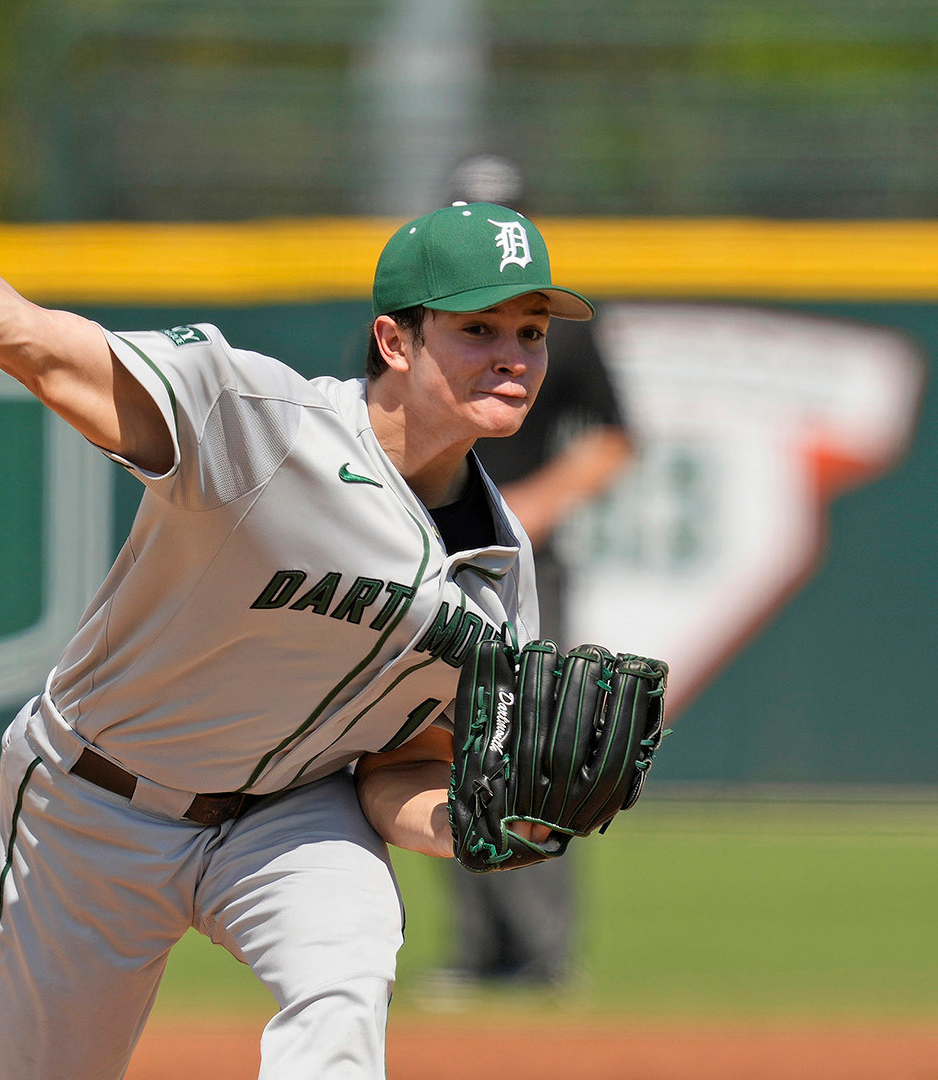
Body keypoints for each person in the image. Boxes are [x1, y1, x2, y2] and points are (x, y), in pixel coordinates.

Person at [0, 70, 592, 1078]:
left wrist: (473, 825)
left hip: (289, 817)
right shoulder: (255, 422)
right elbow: (35, 346)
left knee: (346, 975)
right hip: (97, 808)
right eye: (477, 328)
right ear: (395, 340)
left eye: (531, 332)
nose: (515, 357)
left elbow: (399, 767)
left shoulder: (496, 569)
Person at [435, 155, 638, 992]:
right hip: (435, 558)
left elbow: (614, 436)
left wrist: (532, 503)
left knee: (530, 750)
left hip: (523, 561)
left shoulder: (565, 326)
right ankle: (481, 953)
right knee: (442, 746)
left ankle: (545, 955)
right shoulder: (419, 321)